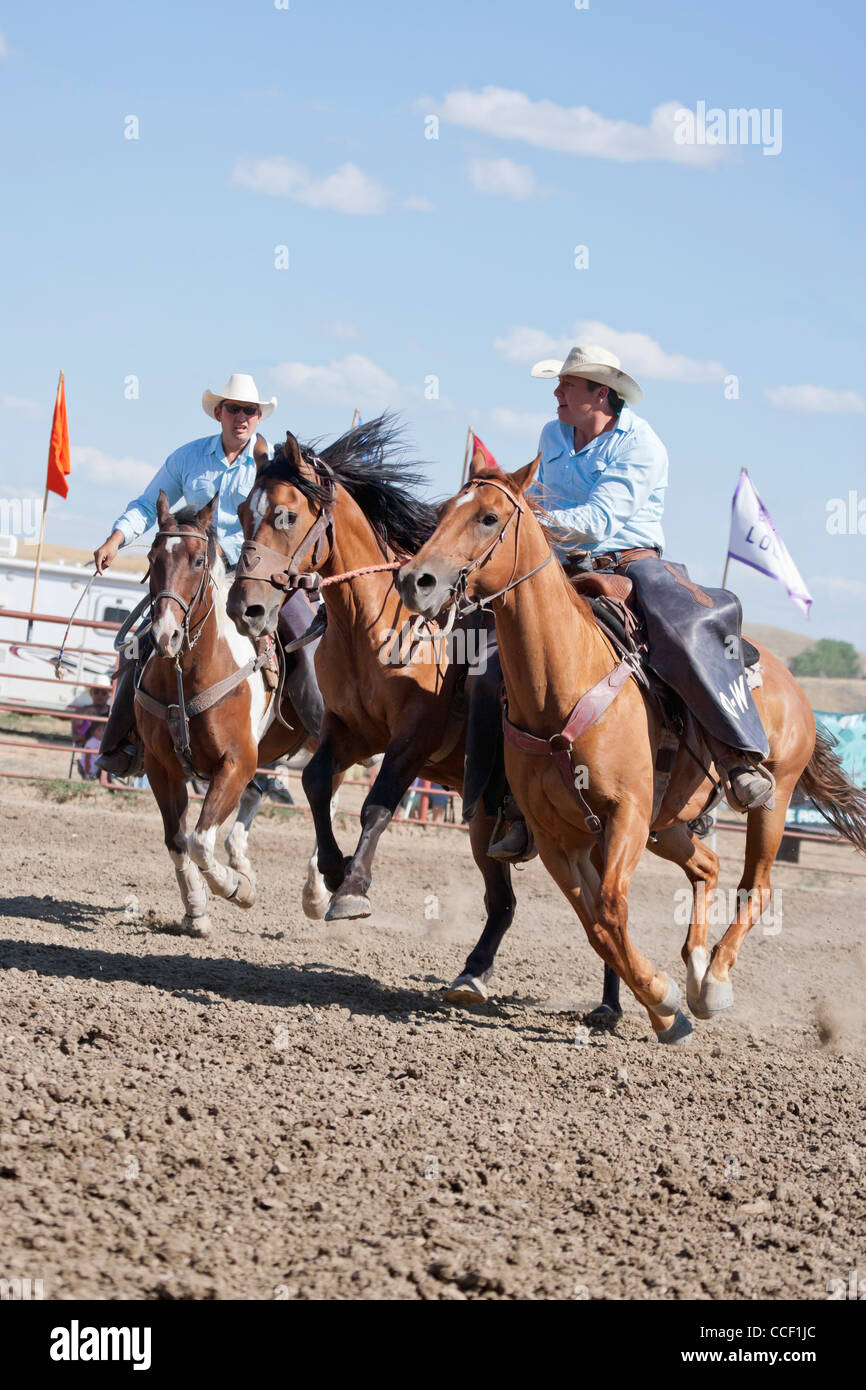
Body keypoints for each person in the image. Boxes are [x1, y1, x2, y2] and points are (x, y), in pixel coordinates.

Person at [487, 342, 773, 860]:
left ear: (601, 393)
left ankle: (736, 757)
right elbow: (543, 497)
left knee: (682, 630)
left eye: (568, 385)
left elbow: (600, 521)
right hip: (559, 563)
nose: (557, 393)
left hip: (629, 560)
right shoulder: (552, 433)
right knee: (492, 652)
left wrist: (528, 525)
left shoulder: (642, 444)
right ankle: (514, 802)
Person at [93, 373, 323, 776]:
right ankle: (122, 744)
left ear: (257, 417)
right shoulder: (188, 458)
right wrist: (116, 538)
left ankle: (323, 735)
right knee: (139, 644)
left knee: (304, 640)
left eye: (249, 411)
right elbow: (148, 504)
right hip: (196, 576)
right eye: (233, 409)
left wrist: (302, 570)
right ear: (219, 412)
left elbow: (299, 521)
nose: (242, 417)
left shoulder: (272, 467)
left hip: (260, 578)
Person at [68, 680, 111, 779]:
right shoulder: (81, 712)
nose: (100, 695)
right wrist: (86, 722)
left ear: (109, 695)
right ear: (91, 693)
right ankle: (90, 773)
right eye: (96, 692)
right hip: (88, 748)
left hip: (108, 748)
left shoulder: (112, 712)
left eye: (104, 692)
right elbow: (76, 737)